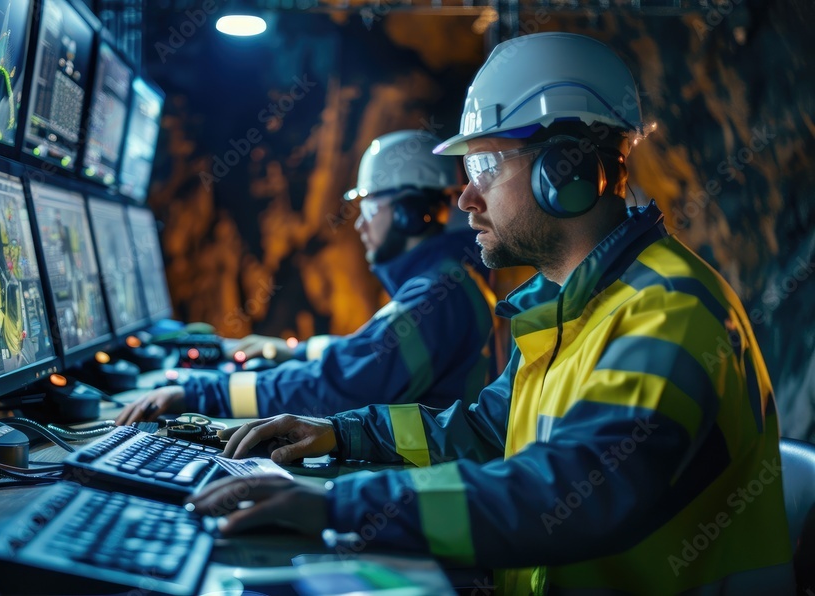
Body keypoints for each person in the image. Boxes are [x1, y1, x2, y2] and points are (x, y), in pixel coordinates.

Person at [186, 32, 794, 594]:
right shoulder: (572, 309)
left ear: (567, 170)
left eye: (484, 167)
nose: (467, 198)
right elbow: (482, 432)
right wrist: (343, 432)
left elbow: (575, 490)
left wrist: (343, 506)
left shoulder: (669, 310)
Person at [115, 130, 496, 424]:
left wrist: (202, 392)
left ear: (407, 213)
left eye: (370, 207)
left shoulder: (436, 296)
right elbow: (364, 350)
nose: (360, 224)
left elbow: (337, 387)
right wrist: (296, 351)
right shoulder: (445, 282)